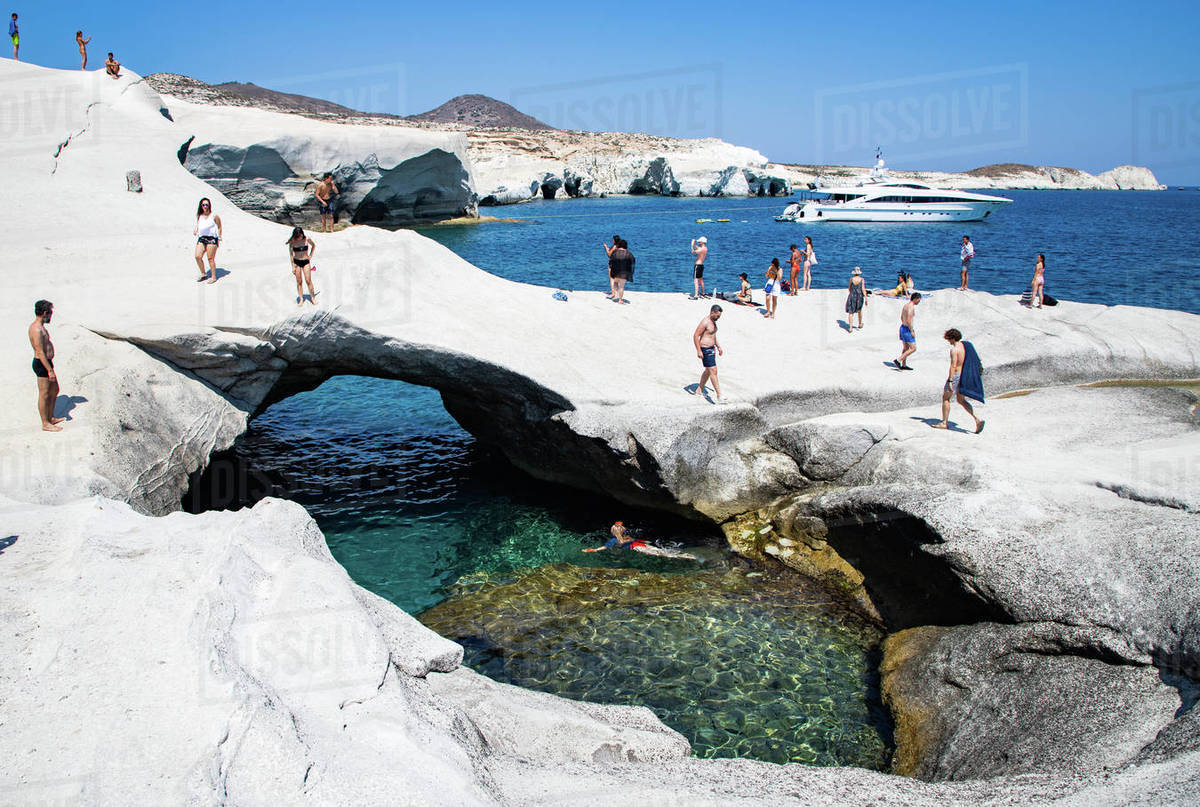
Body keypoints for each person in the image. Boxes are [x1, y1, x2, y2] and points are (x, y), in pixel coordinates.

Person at [935, 328, 985, 434]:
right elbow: (978, 357)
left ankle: (944, 423)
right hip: (965, 375)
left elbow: (953, 366)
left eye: (948, 339)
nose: (948, 341)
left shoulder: (954, 350)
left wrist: (950, 380)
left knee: (946, 398)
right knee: (961, 400)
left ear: (952, 338)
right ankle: (977, 419)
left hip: (956, 376)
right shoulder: (967, 345)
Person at [29, 300, 64, 433]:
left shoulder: (41, 327)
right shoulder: (36, 329)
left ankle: (50, 417)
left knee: (54, 390)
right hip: (42, 364)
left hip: (47, 363)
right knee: (44, 394)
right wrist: (49, 370)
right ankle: (45, 423)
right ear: (45, 313)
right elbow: (39, 351)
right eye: (50, 313)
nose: (51, 316)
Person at [582, 521, 700, 560]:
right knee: (662, 550)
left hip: (637, 548)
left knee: (664, 555)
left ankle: (687, 557)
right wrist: (647, 542)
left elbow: (603, 548)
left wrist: (592, 550)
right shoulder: (627, 536)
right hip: (639, 543)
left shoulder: (614, 541)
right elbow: (637, 540)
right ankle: (685, 554)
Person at [692, 304, 725, 403]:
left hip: (712, 348)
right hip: (705, 349)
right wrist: (698, 350)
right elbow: (695, 335)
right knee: (713, 371)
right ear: (712, 312)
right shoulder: (705, 322)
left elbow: (713, 335)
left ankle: (699, 391)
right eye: (717, 316)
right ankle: (719, 395)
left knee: (708, 371)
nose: (718, 318)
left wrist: (718, 346)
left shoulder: (713, 322)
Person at [193, 197, 222, 283]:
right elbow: (199, 224)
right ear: (201, 206)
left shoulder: (214, 215)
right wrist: (196, 229)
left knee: (210, 258)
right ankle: (203, 273)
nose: (205, 206)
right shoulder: (199, 215)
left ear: (209, 205)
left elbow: (219, 226)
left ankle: (213, 277)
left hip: (212, 238)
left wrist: (219, 236)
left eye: (207, 204)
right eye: (203, 205)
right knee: (197, 256)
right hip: (202, 238)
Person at [287, 226, 317, 306]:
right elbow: (291, 255)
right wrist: (293, 266)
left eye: (300, 236)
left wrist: (310, 255)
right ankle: (301, 299)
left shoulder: (307, 239)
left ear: (302, 234)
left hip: (306, 261)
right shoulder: (292, 241)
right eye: (297, 236)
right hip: (297, 262)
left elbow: (313, 245)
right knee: (299, 282)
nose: (299, 238)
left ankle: (313, 298)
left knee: (308, 280)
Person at [894, 292, 921, 369]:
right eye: (919, 300)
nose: (919, 301)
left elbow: (902, 317)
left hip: (903, 327)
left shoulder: (905, 305)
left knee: (906, 348)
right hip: (907, 329)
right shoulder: (911, 307)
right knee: (913, 348)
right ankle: (898, 360)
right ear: (916, 299)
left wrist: (905, 324)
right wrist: (911, 331)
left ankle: (903, 364)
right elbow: (909, 320)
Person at [610, 238, 634, 304]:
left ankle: (616, 294)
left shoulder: (615, 252)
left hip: (616, 271)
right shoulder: (628, 253)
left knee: (615, 282)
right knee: (622, 286)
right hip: (625, 272)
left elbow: (611, 260)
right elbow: (632, 261)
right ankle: (620, 300)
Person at [845, 266, 866, 331]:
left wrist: (852, 293)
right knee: (859, 310)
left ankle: (850, 327)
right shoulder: (862, 279)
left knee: (851, 312)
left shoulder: (851, 279)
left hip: (852, 295)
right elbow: (863, 289)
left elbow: (849, 288)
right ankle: (859, 324)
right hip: (859, 296)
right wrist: (865, 297)